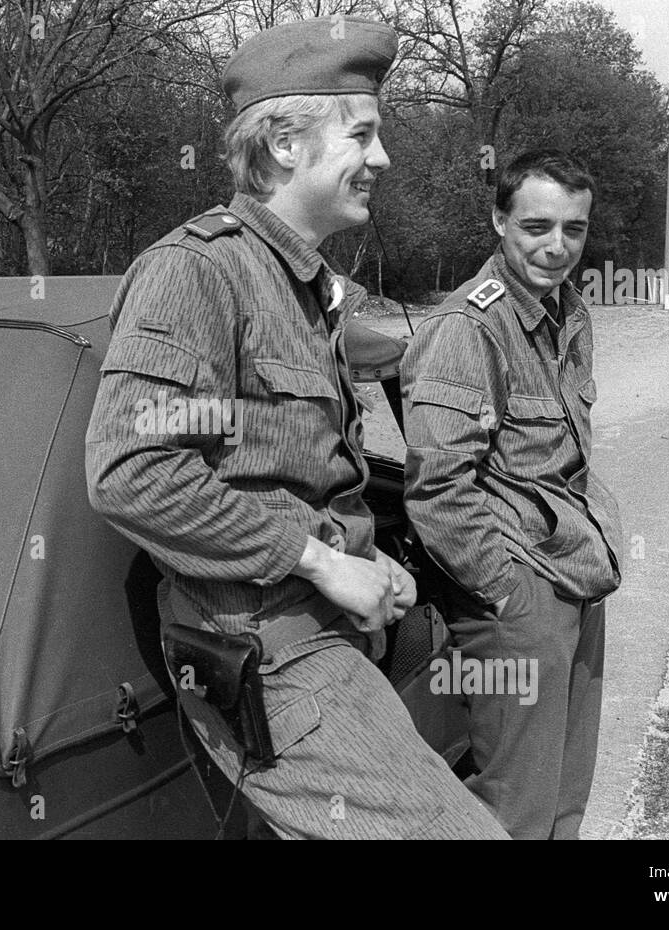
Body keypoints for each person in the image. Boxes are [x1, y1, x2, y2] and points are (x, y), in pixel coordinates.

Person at [86, 16, 507, 840]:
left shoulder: (303, 284)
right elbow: (131, 471)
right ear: (284, 143)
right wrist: (319, 560)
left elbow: (274, 464)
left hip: (317, 633)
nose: (381, 158)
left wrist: (362, 557)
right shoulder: (199, 271)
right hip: (267, 651)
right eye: (362, 134)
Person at [399, 149, 623, 839]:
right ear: (500, 221)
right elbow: (437, 489)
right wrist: (507, 596)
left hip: (576, 577)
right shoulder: (468, 329)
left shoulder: (569, 312)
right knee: (516, 810)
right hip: (518, 595)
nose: (557, 248)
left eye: (574, 230)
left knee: (564, 797)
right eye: (536, 227)